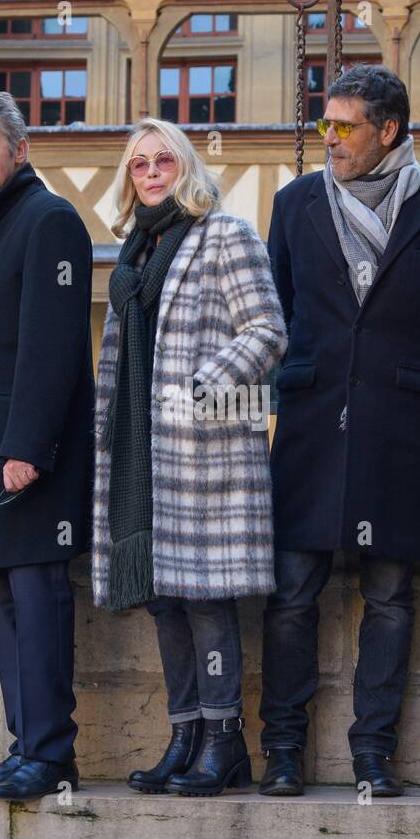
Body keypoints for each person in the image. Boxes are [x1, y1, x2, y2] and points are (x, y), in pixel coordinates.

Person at [260, 65, 420, 797]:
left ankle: (373, 755)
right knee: (291, 595)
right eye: (325, 123)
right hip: (311, 426)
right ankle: (283, 750)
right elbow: (281, 315)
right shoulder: (293, 206)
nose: (330, 138)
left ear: (388, 131)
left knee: (390, 598)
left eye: (344, 126)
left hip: (400, 428)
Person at [92, 118, 286, 796]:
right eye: (139, 163)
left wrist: (206, 388)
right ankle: (185, 732)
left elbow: (267, 328)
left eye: (163, 160)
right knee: (161, 597)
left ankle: (224, 741)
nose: (150, 172)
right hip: (139, 446)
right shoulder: (135, 253)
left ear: (186, 168)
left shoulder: (224, 235)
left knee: (205, 597)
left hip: (202, 446)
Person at [0, 91, 95, 802]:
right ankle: (26, 745)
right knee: (3, 600)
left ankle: (53, 752)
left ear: (20, 149)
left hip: (31, 453)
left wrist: (28, 446)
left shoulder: (50, 219)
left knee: (37, 600)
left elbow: (53, 343)